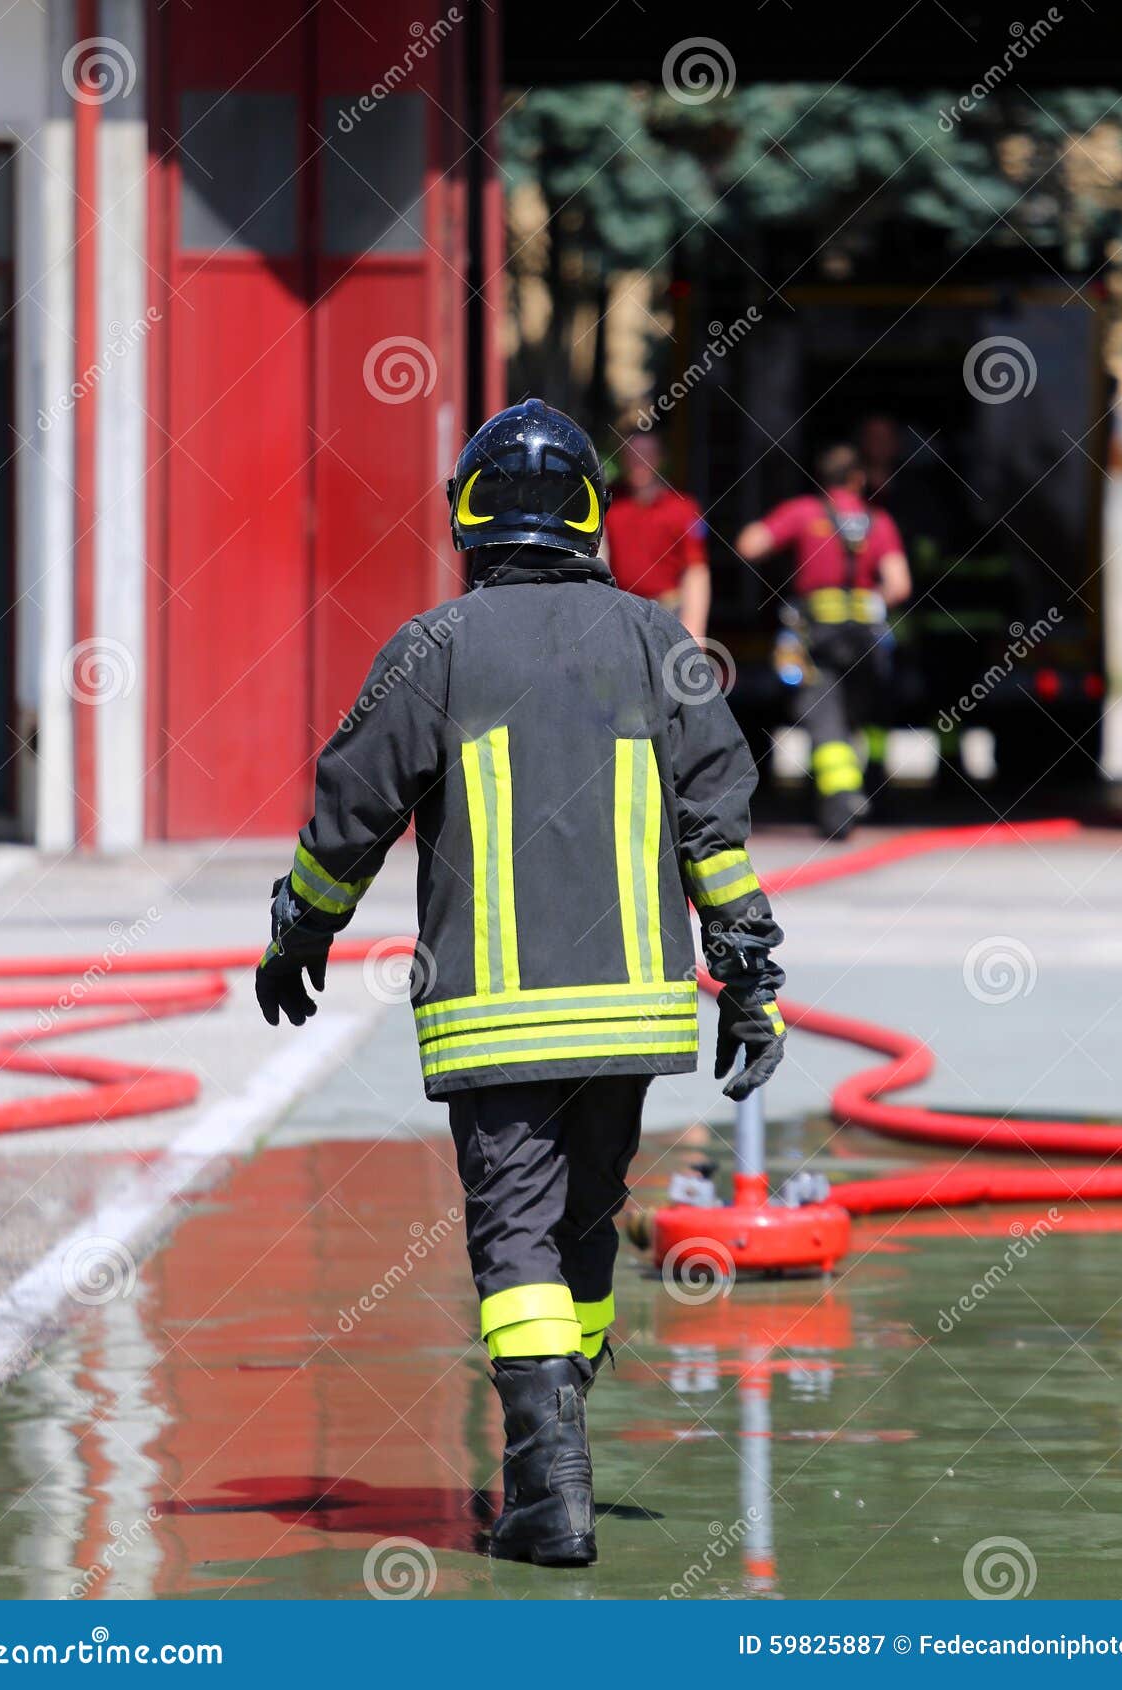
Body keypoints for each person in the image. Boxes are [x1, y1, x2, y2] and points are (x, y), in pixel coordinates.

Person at [254, 399, 786, 1569]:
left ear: (469, 516)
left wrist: (300, 928)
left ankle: (550, 1495)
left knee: (514, 1242)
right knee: (582, 1230)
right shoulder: (658, 644)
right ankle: (559, 1453)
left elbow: (351, 814)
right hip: (634, 1012)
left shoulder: (434, 648)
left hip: (496, 1017)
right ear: (590, 516)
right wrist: (748, 975)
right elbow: (716, 829)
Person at [737, 444, 911, 838]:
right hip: (866, 639)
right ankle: (870, 790)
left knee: (825, 718)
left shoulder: (804, 513)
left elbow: (750, 544)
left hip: (816, 638)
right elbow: (899, 585)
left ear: (822, 479)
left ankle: (839, 806)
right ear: (857, 478)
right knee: (858, 716)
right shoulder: (877, 520)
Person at [603, 432, 711, 641]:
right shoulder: (608, 503)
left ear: (660, 459)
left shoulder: (683, 508)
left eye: (646, 454)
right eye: (632, 455)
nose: (639, 461)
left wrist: (695, 632)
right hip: (621, 611)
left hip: (668, 613)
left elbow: (696, 571)